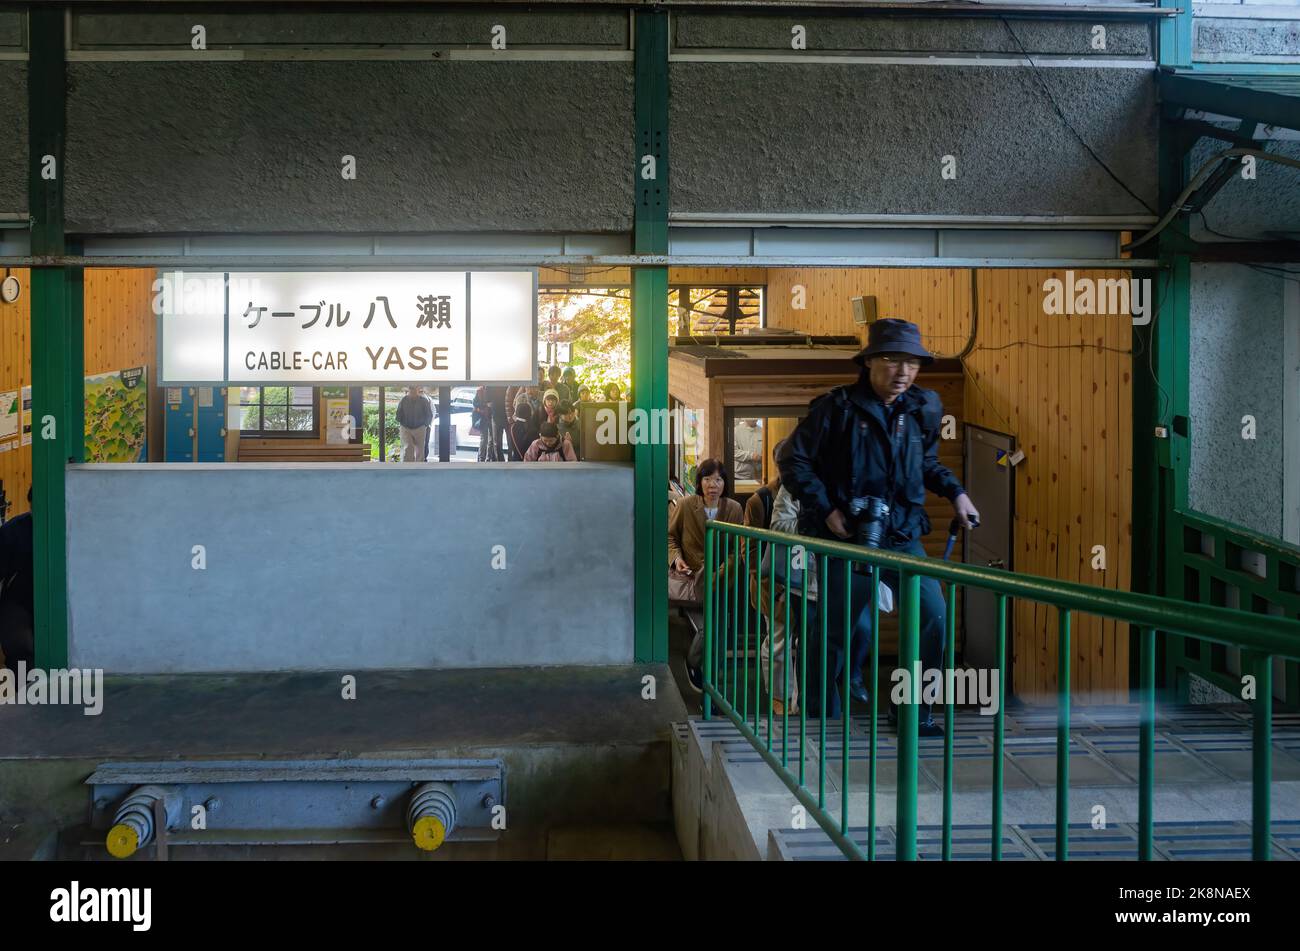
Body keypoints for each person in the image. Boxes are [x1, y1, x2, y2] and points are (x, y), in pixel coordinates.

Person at [780, 318, 979, 733]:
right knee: (836, 631)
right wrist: (829, 510)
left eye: (912, 362)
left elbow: (925, 464)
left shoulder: (923, 408)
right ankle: (820, 719)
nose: (902, 372)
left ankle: (911, 711)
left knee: (934, 617)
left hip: (903, 535)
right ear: (869, 361)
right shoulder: (835, 409)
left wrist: (957, 493)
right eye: (892, 359)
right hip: (845, 539)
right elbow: (792, 460)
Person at [668, 458, 744, 692]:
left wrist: (721, 573)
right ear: (699, 482)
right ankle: (694, 665)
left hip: (722, 580)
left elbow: (736, 549)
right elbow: (670, 538)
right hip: (692, 580)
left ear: (725, 483)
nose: (713, 484)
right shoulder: (685, 504)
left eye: (718, 479)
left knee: (721, 631)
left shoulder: (733, 508)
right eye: (708, 479)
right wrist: (677, 559)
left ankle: (711, 680)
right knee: (706, 629)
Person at [0, 488, 34, 673]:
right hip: (18, 600)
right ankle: (27, 696)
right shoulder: (12, 531)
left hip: (58, 601)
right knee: (20, 648)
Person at [396, 385, 434, 462]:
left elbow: (429, 414)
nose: (412, 390)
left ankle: (419, 469)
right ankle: (408, 468)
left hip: (420, 427)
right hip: (406, 427)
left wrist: (425, 425)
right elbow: (398, 413)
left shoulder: (424, 400)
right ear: (408, 389)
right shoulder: (403, 400)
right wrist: (402, 425)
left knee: (420, 450)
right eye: (411, 388)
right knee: (408, 448)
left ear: (418, 389)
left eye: (414, 388)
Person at [733, 417, 763, 483]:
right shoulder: (736, 431)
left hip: (759, 475)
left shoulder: (762, 431)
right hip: (740, 476)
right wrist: (751, 456)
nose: (754, 418)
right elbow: (733, 452)